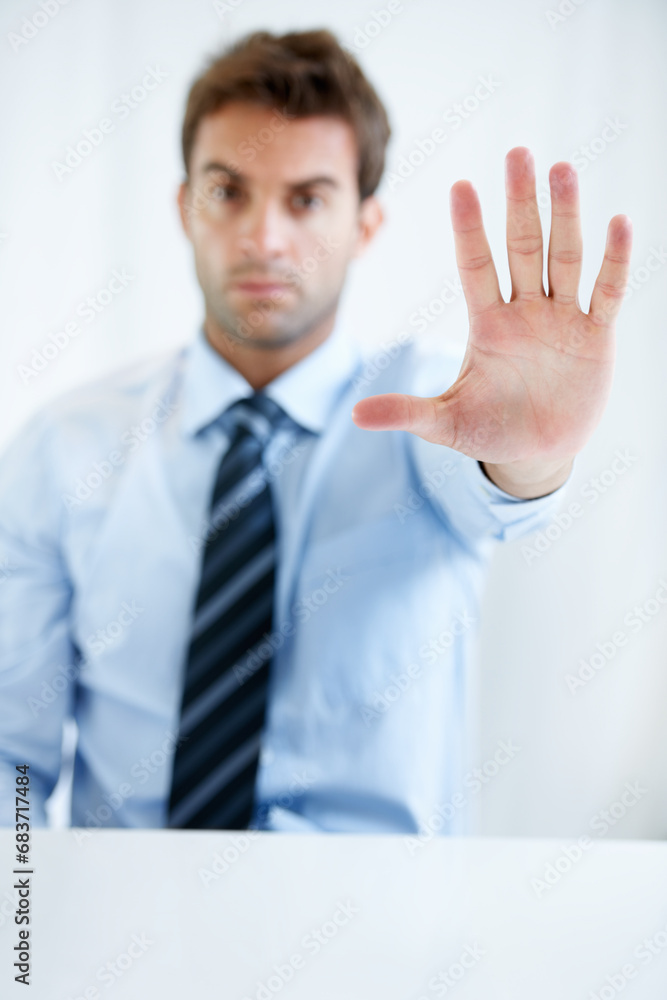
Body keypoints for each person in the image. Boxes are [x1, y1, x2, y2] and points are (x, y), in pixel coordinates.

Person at [0, 29, 631, 834]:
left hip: (379, 942)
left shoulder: (433, 411)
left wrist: (534, 452)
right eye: (228, 190)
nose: (264, 237)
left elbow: (500, 486)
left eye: (307, 200)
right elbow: (10, 753)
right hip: (122, 932)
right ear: (184, 205)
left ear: (365, 226)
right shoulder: (66, 450)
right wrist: (20, 935)